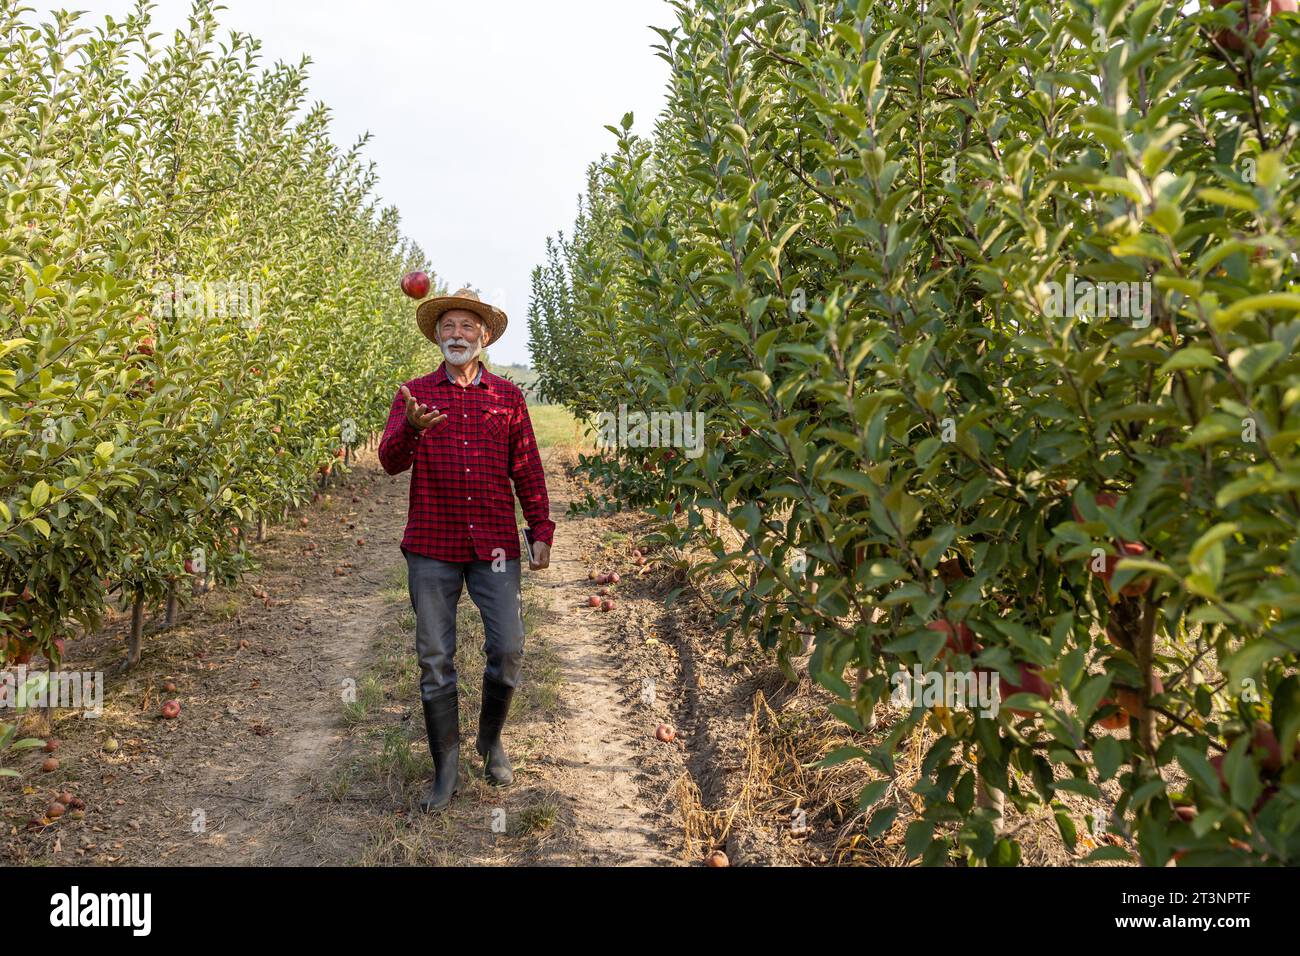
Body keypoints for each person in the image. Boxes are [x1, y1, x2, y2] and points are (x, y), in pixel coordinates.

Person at [379, 287, 554, 812]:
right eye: (448, 326)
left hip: (495, 544)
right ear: (437, 335)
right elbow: (389, 461)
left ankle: (490, 739)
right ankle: (446, 769)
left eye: (467, 327)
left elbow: (526, 466)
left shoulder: (507, 397)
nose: (457, 335)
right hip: (433, 543)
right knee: (435, 657)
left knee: (509, 645)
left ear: (483, 337)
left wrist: (540, 528)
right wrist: (410, 429)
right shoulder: (414, 395)